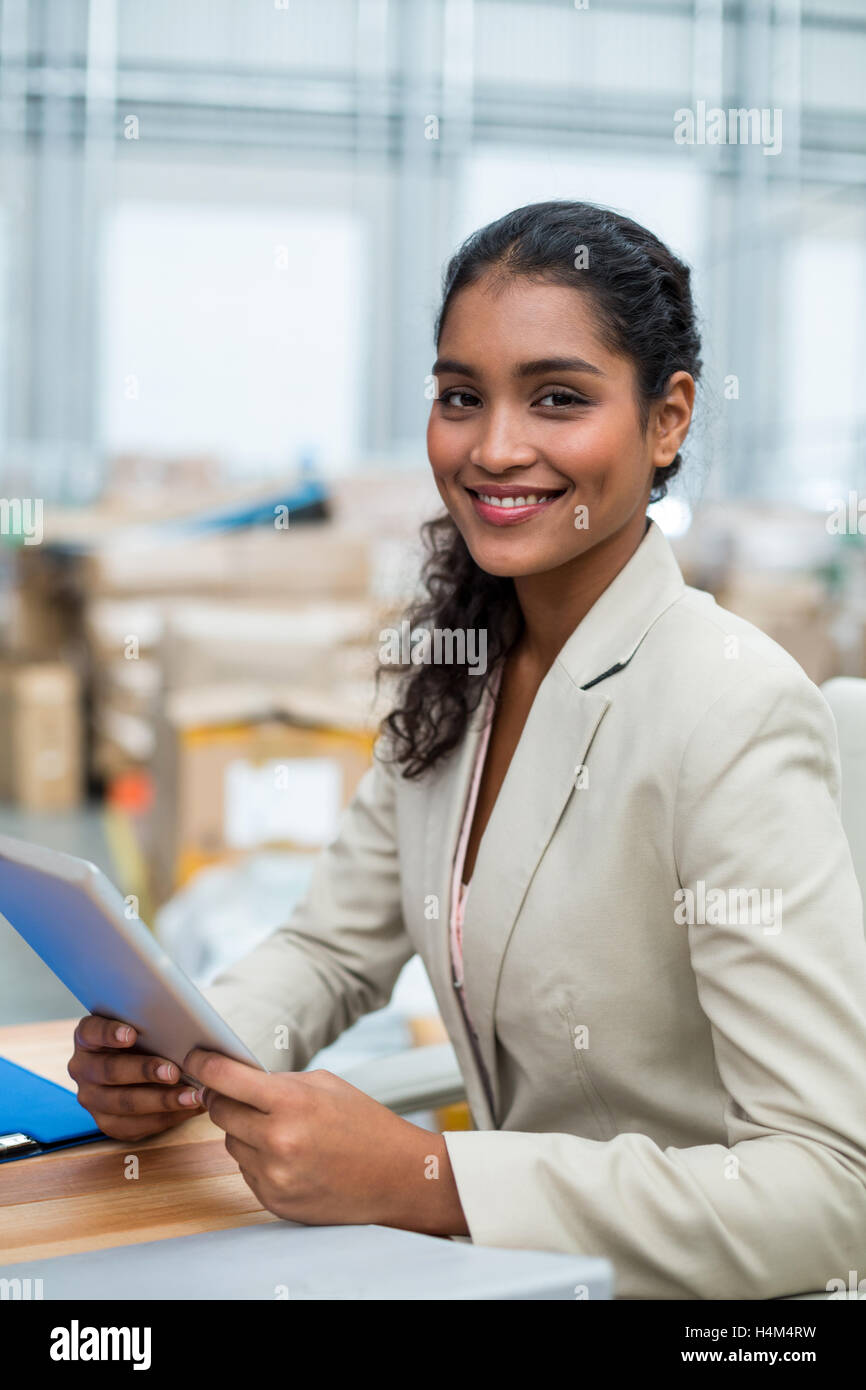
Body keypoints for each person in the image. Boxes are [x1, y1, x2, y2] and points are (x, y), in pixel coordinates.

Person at [68, 201, 866, 1299]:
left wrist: (426, 1175)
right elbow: (326, 947)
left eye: (557, 398)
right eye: (459, 398)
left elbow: (821, 1193)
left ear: (666, 418)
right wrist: (180, 1060)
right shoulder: (458, 668)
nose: (492, 446)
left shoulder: (725, 710)